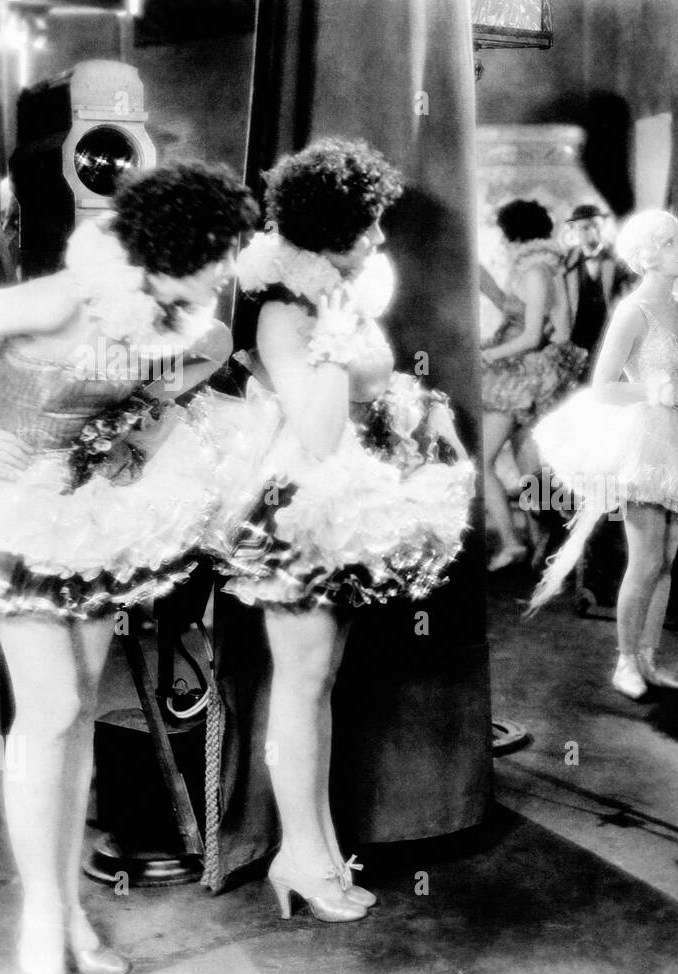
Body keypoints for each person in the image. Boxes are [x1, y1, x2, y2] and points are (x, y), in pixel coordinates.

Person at [0, 161, 259, 974]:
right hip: (13, 511)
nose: (228, 269)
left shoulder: (182, 314)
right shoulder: (61, 298)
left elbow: (197, 361)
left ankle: (66, 902)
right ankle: (42, 910)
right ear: (178, 245)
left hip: (98, 516)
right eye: (220, 252)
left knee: (74, 718)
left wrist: (140, 428)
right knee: (56, 706)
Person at [196, 139, 474, 919]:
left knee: (320, 682)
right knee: (303, 681)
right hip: (300, 509)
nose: (382, 239)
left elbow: (377, 379)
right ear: (327, 230)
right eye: (369, 226)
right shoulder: (288, 310)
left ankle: (312, 846)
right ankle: (302, 854)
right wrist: (338, 343)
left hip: (343, 505)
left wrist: (353, 342)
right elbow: (318, 432)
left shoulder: (328, 298)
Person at [528, 210, 678, 699]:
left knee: (667, 561)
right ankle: (624, 663)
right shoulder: (634, 309)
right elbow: (602, 388)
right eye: (671, 241)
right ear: (647, 256)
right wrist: (660, 393)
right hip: (646, 441)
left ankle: (650, 660)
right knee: (645, 558)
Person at [479, 199, 589, 572]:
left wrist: (488, 357)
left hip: (525, 373)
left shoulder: (535, 270)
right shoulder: (546, 265)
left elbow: (531, 336)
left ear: (513, 233)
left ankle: (513, 543)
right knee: (531, 465)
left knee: (482, 460)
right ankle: (542, 540)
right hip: (537, 373)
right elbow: (541, 323)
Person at [562, 204, 635, 355]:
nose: (592, 232)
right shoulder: (567, 262)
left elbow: (628, 298)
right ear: (574, 230)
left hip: (609, 335)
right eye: (585, 228)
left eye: (596, 226)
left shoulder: (618, 260)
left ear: (603, 226)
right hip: (577, 336)